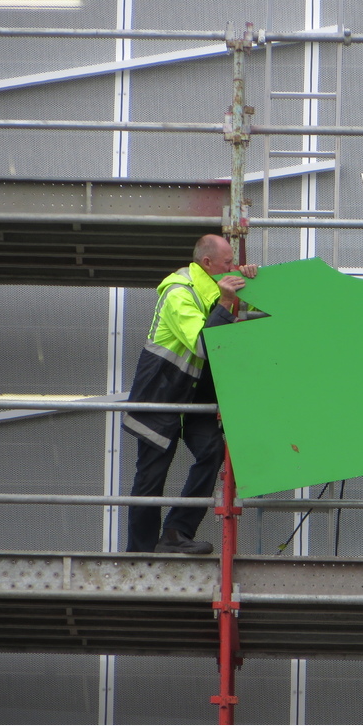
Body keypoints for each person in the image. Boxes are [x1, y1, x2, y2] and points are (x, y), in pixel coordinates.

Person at [123, 234, 258, 554]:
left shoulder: (215, 287)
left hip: (193, 396)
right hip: (161, 395)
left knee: (211, 452)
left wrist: (252, 283)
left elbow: (246, 314)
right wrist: (227, 301)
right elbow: (203, 343)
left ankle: (176, 532)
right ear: (207, 263)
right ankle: (139, 553)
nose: (233, 266)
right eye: (228, 262)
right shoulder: (178, 293)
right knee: (151, 477)